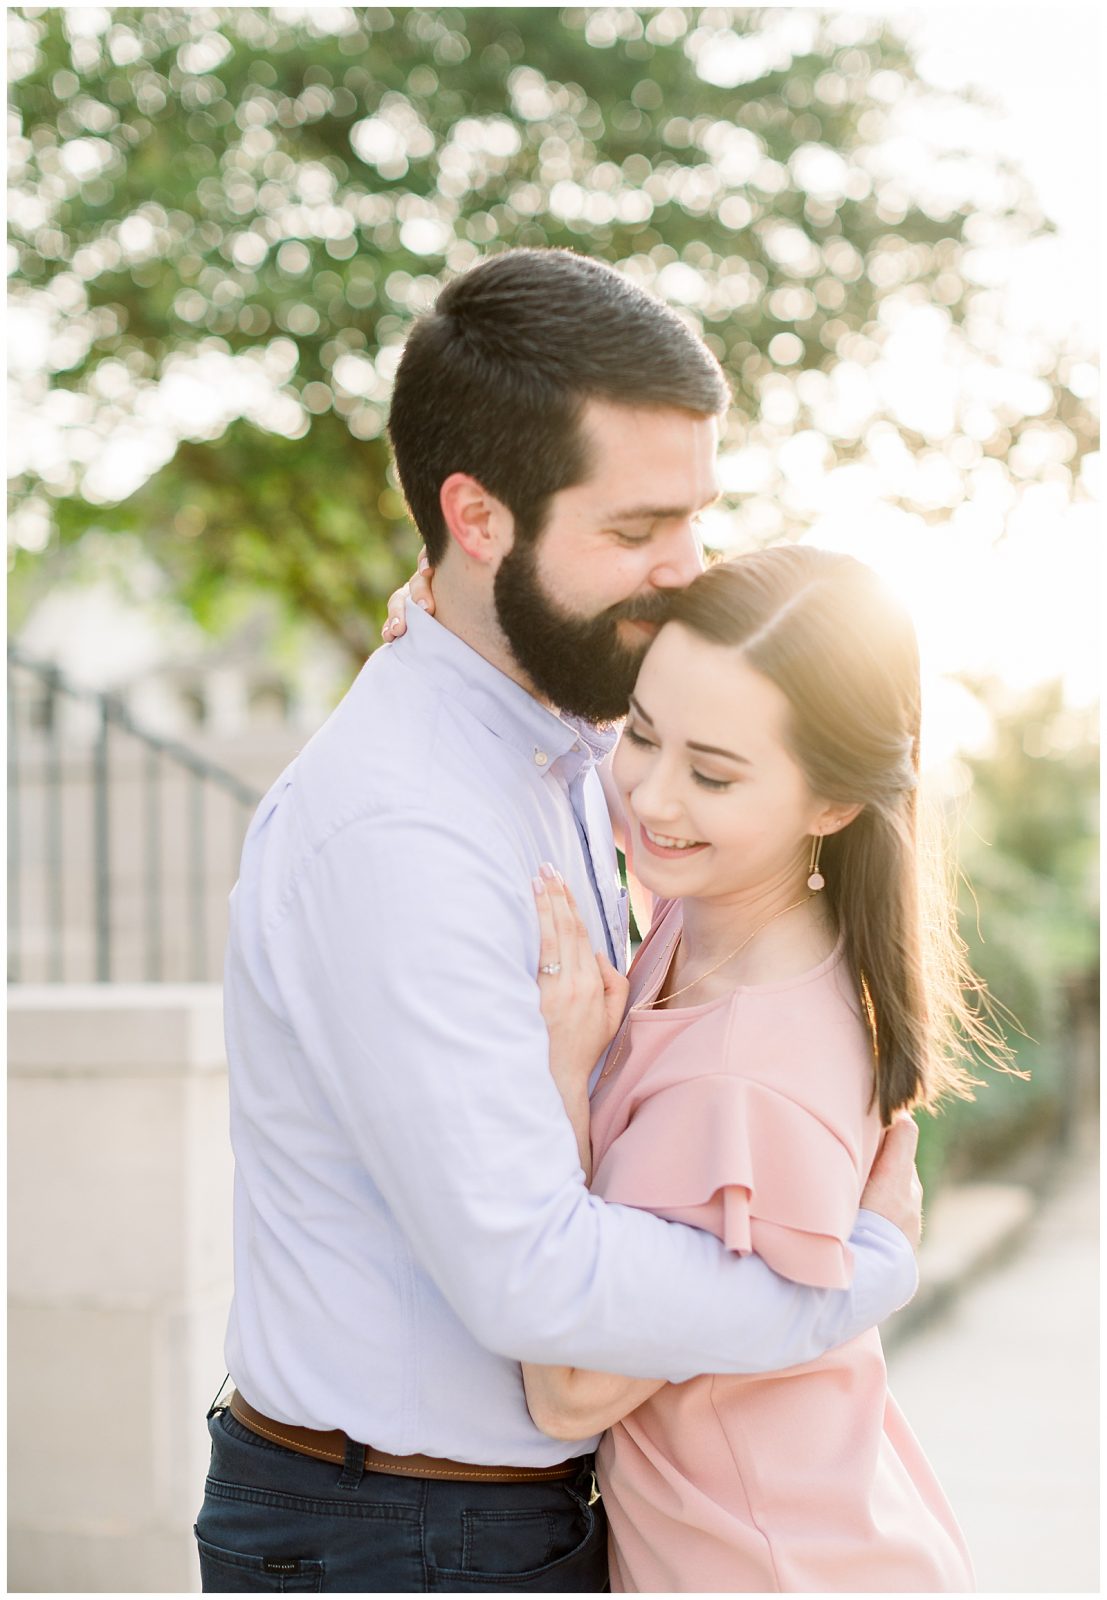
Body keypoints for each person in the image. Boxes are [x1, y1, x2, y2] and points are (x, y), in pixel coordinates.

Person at [195, 249, 923, 1594]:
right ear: (476, 517)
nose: (684, 568)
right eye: (638, 528)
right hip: (400, 1540)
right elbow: (534, 1281)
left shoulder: (572, 735)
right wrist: (854, 1274)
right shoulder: (403, 827)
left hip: (484, 1518)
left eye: (695, 516)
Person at [517, 545, 1005, 1592]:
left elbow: (567, 1386)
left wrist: (561, 1082)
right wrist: (444, 622)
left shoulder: (738, 1079)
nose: (651, 795)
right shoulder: (718, 912)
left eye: (712, 774)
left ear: (831, 803)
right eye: (642, 731)